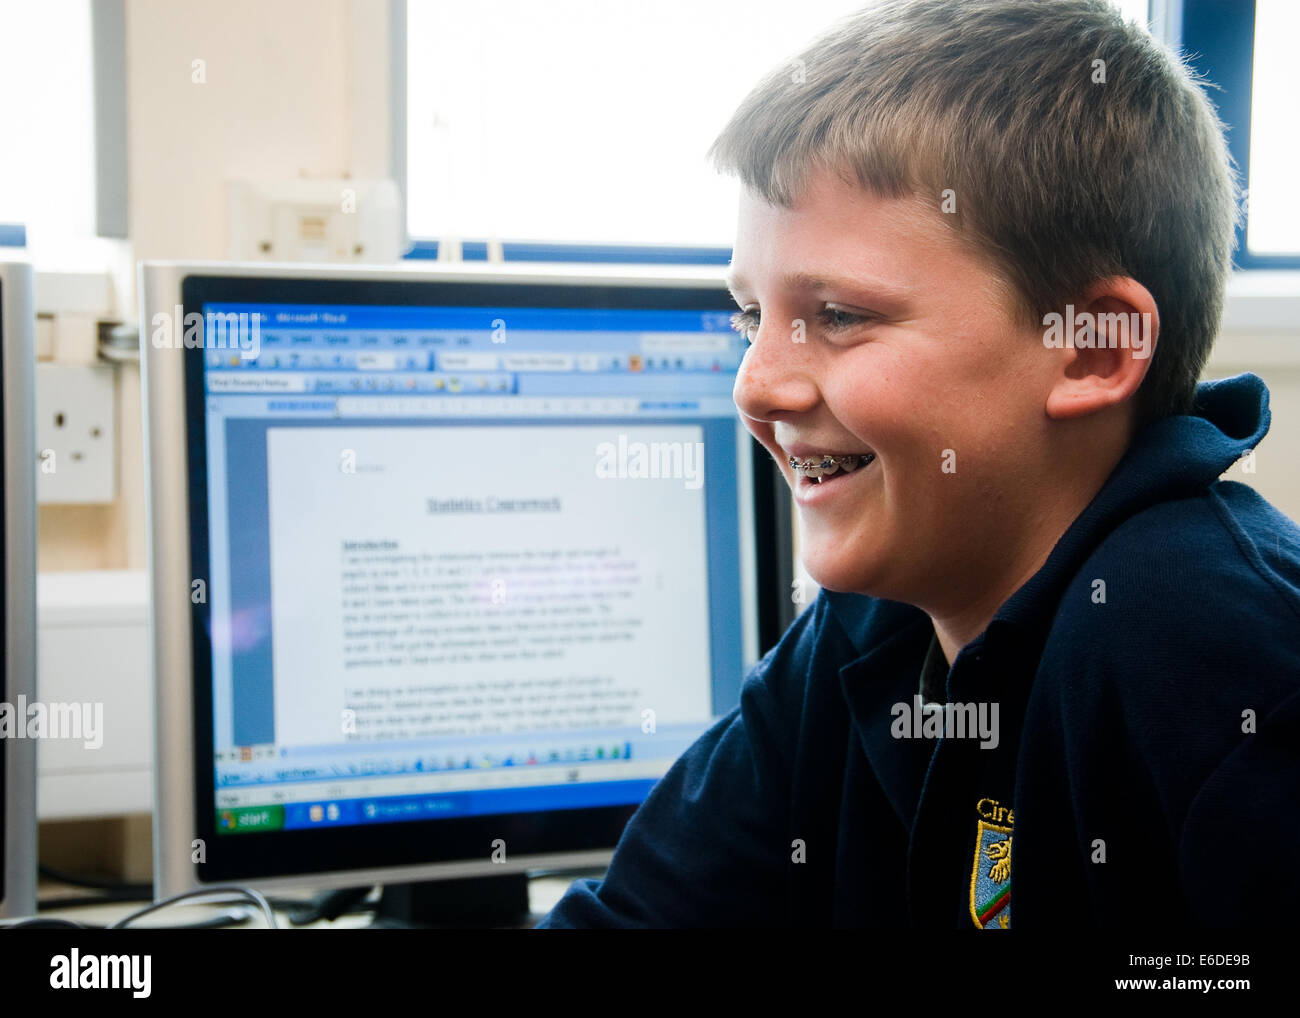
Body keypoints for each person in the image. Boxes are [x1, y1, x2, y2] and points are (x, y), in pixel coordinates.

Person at [535, 0, 1300, 927]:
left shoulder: (1211, 650)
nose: (755, 385)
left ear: (1092, 349)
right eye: (751, 317)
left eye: (843, 316)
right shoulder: (877, 620)